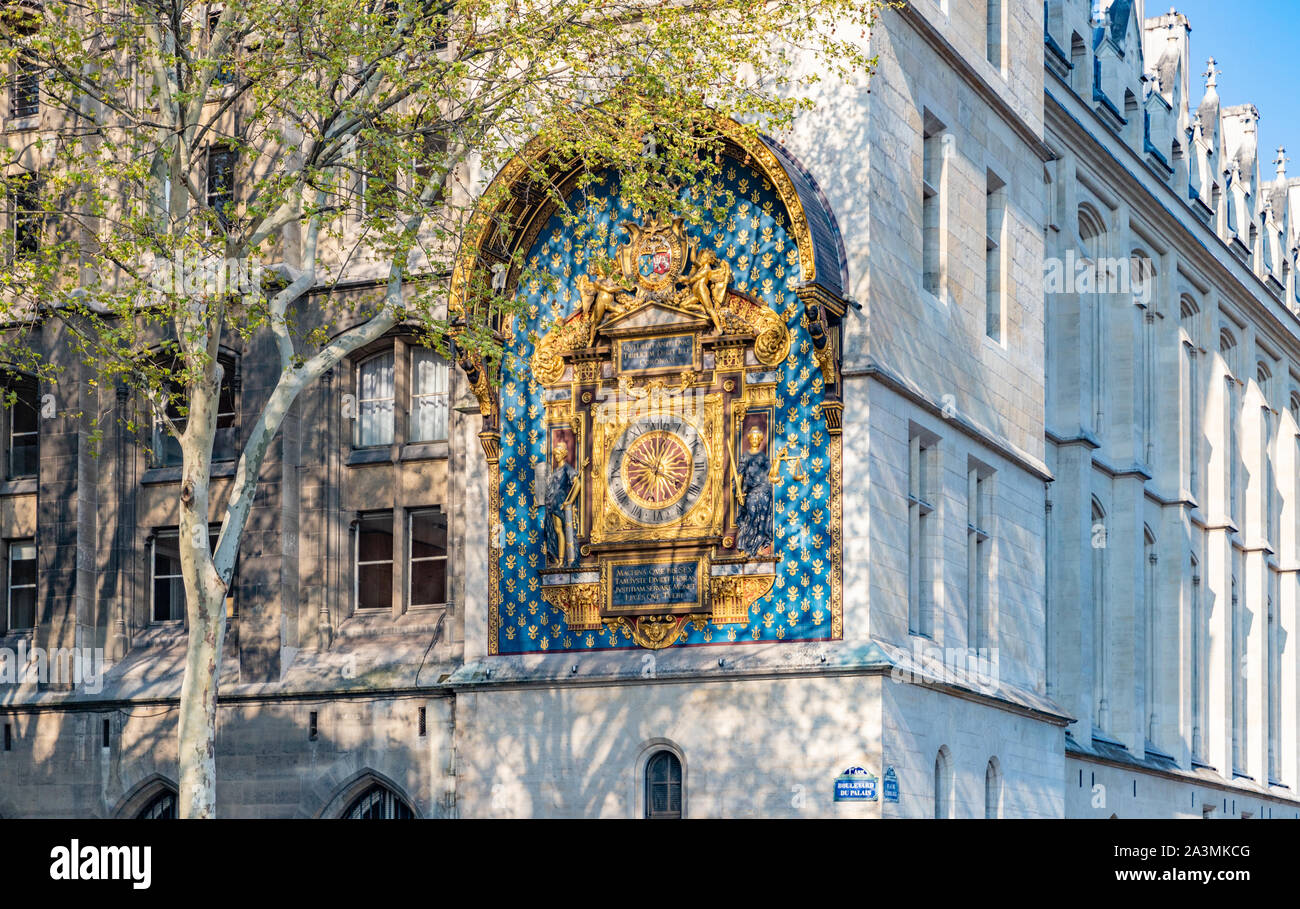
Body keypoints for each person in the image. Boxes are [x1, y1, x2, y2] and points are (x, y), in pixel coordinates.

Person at [735, 426, 773, 556]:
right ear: (750, 439)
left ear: (760, 439)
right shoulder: (745, 456)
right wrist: (738, 492)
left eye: (758, 438)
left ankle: (759, 546)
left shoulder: (763, 457)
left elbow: (771, 473)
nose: (755, 440)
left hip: (764, 491)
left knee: (762, 520)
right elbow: (739, 475)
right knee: (750, 517)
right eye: (753, 438)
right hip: (751, 491)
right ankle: (748, 546)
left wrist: (778, 459)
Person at [545, 441, 581, 567]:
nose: (556, 456)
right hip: (552, 503)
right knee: (556, 530)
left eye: (559, 453)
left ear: (564, 454)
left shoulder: (566, 468)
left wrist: (570, 501)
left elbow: (577, 484)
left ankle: (562, 560)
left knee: (560, 531)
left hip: (560, 501)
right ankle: (559, 559)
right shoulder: (555, 471)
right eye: (555, 454)